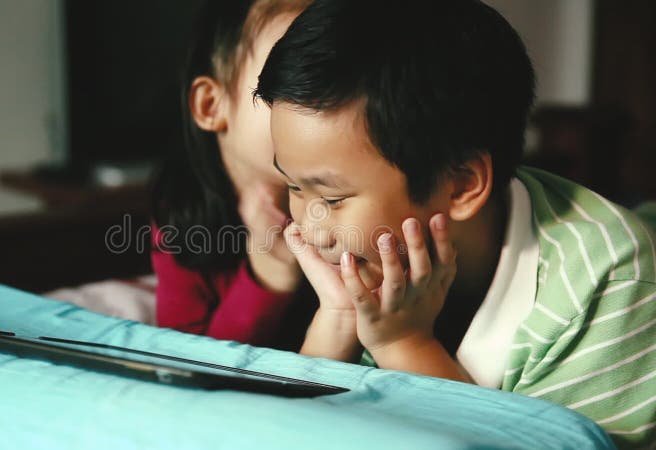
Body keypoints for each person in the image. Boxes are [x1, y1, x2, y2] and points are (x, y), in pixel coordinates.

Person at [254, 0, 656, 447]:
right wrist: (339, 317)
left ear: (461, 186)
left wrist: (403, 343)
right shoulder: (370, 256)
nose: (310, 230)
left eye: (332, 199)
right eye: (293, 187)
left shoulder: (608, 285)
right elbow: (284, 435)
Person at [151, 0, 314, 350]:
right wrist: (269, 272)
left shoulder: (348, 200)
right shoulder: (182, 212)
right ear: (211, 106)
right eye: (286, 80)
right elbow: (185, 356)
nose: (322, 104)